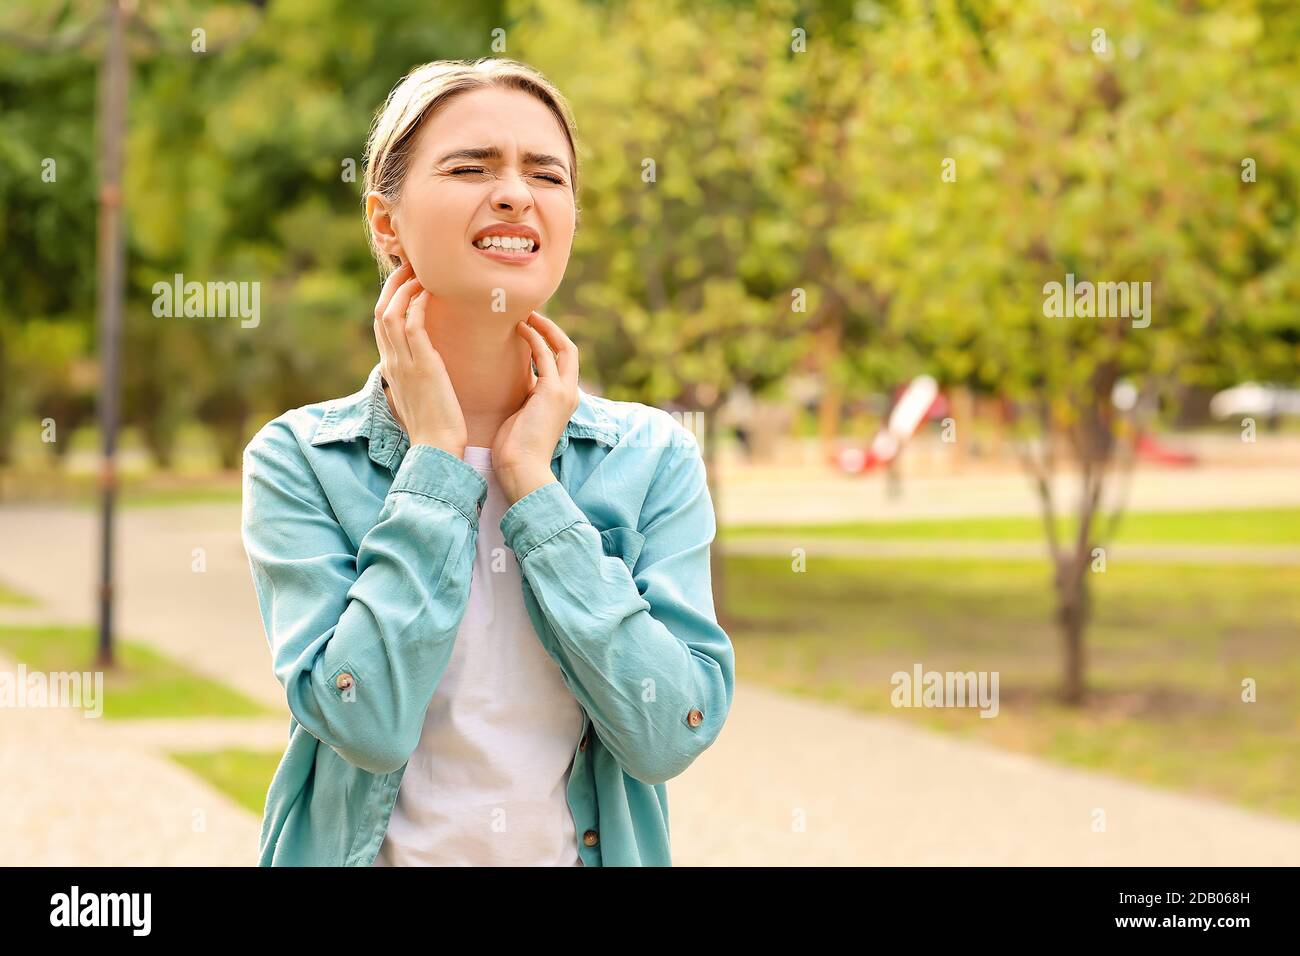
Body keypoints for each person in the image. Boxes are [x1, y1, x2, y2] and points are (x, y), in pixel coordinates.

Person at [239, 57, 735, 867]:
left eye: (547, 173)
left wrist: (534, 489)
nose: (515, 192)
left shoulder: (650, 459)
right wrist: (436, 465)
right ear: (385, 222)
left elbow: (668, 733)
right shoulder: (303, 460)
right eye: (471, 167)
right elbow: (365, 721)